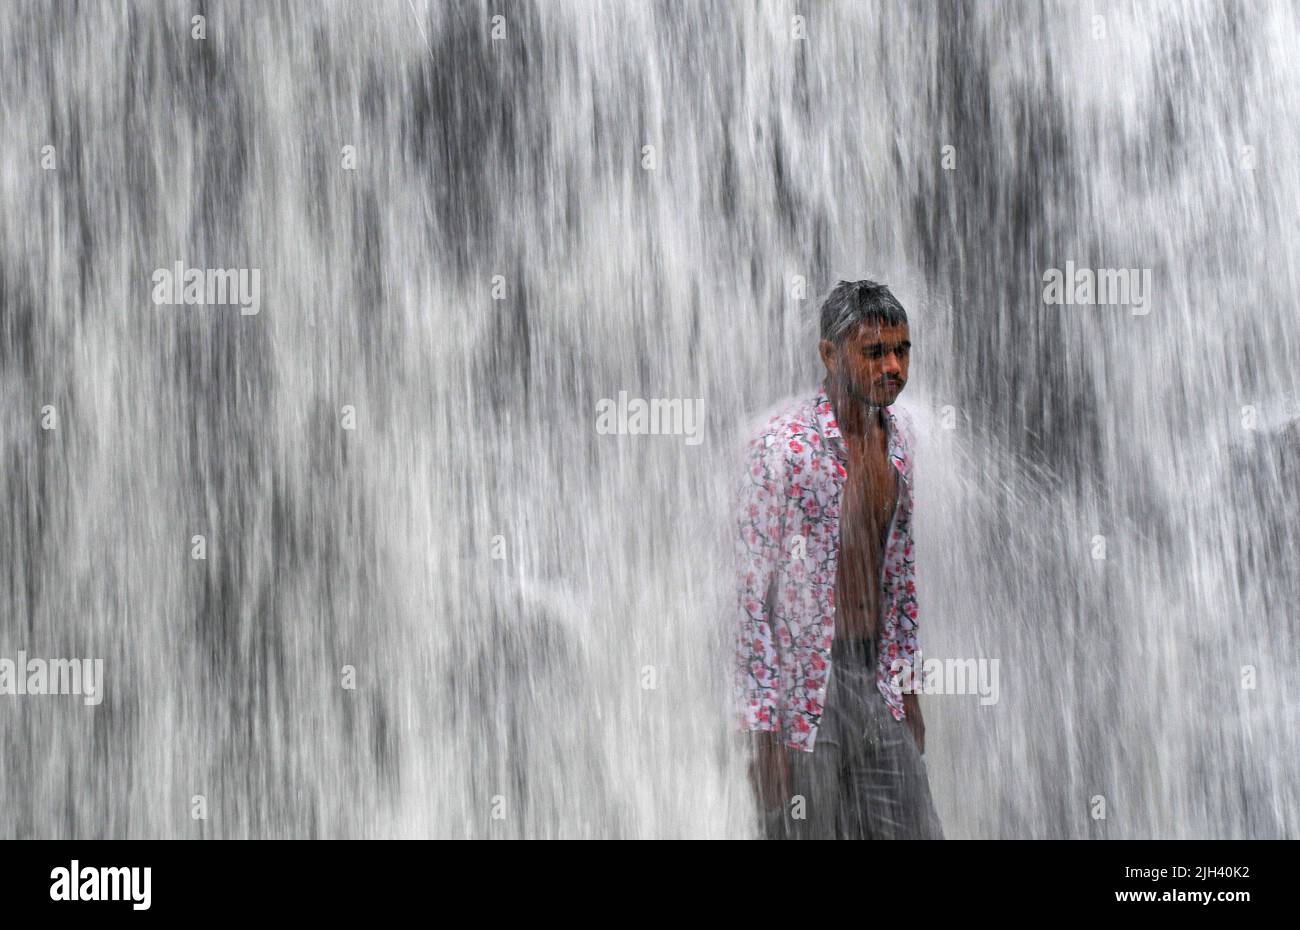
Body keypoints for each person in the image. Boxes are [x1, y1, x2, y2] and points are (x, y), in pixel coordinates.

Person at [733, 279, 944, 839]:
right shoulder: (782, 449)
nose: (893, 366)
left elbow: (898, 580)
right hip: (805, 688)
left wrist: (908, 692)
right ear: (830, 354)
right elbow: (750, 599)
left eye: (902, 351)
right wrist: (763, 731)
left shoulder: (899, 445)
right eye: (874, 352)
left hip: (876, 680)